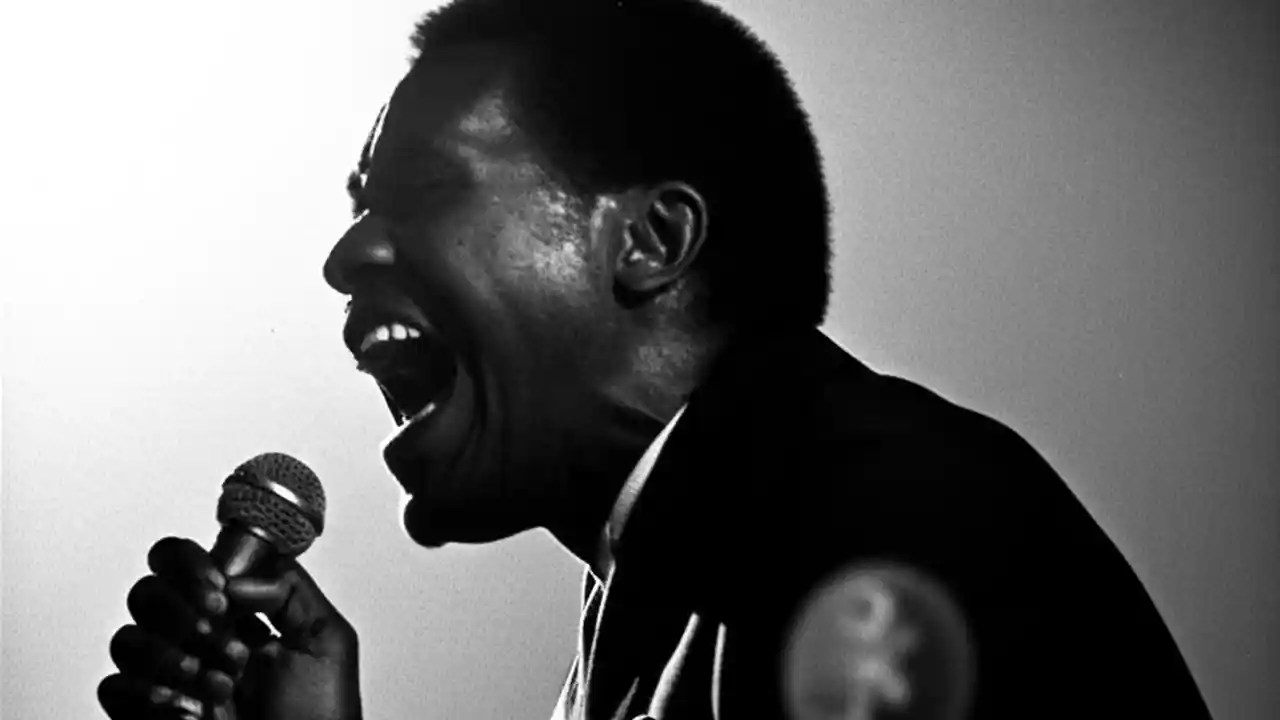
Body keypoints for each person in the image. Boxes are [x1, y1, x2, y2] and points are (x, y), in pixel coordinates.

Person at [98, 0, 1214, 718]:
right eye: (357, 209)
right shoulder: (657, 607)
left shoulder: (892, 513)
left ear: (650, 240)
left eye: (426, 189)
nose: (346, 257)